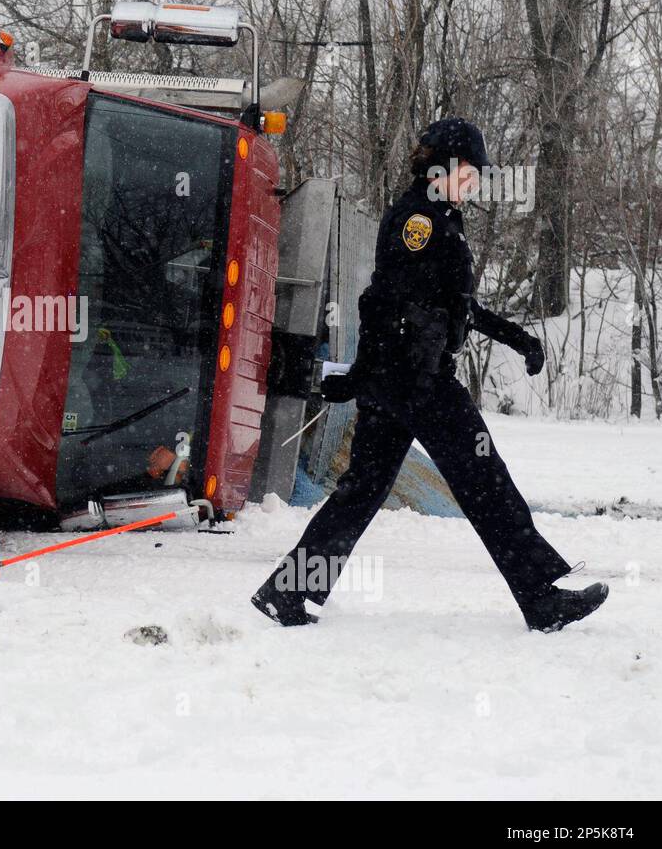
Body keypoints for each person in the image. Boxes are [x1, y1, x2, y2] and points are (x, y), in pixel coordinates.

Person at [252, 117, 608, 632]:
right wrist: (362, 375)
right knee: (485, 482)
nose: (475, 183)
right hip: (417, 385)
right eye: (470, 172)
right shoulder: (417, 222)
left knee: (363, 491)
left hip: (400, 385)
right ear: (444, 166)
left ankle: (286, 593)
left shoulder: (438, 219)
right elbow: (382, 303)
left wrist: (517, 338)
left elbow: (455, 307)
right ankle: (540, 598)